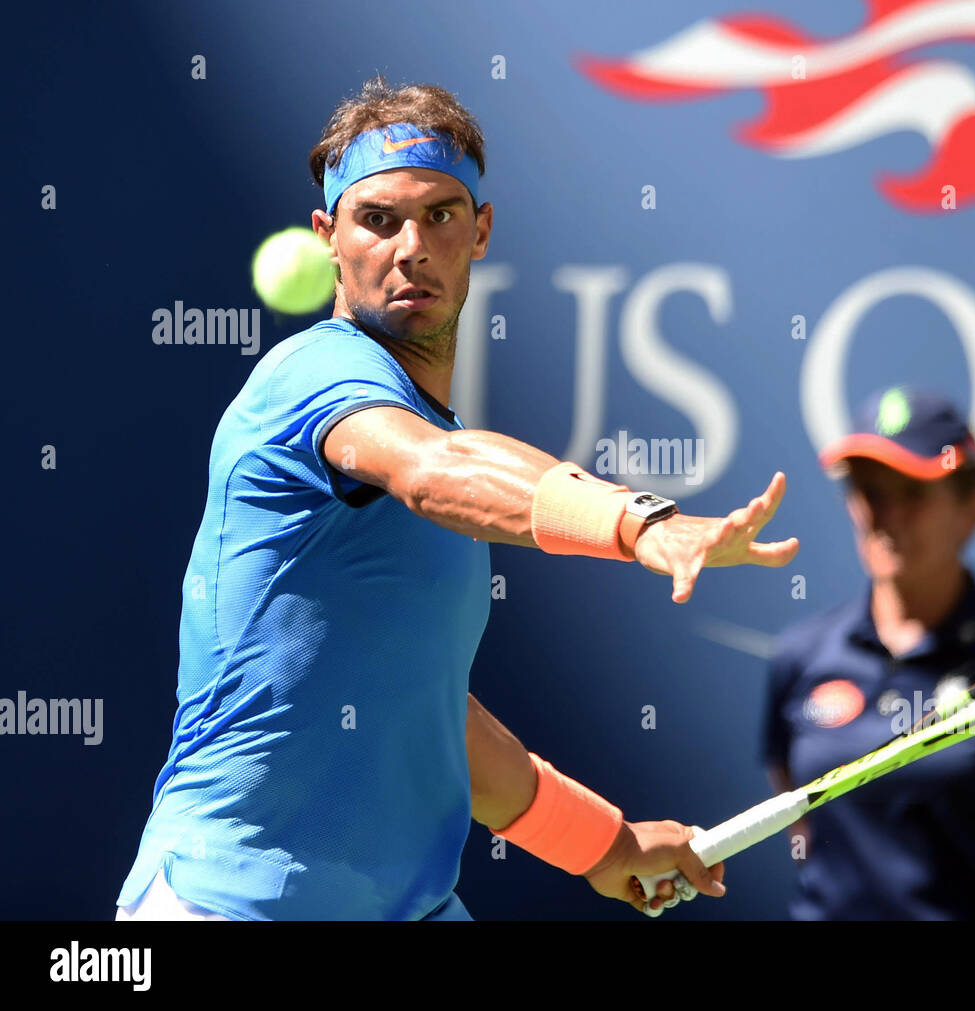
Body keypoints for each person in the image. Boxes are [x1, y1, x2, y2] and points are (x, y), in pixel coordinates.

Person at [115, 76, 798, 921]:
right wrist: (637, 522)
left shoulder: (434, 434)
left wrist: (608, 845)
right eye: (378, 219)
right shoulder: (312, 375)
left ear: (481, 230)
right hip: (233, 900)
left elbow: (427, 717)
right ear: (327, 237)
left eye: (440, 214)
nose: (411, 246)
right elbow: (434, 471)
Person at [762, 387, 975, 920]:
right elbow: (804, 830)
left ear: (974, 508)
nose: (887, 515)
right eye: (869, 490)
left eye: (914, 493)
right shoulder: (799, 657)